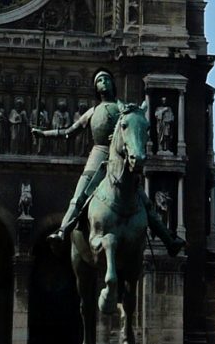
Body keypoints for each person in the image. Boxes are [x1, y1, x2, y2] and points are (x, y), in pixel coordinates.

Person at [34, 69, 183, 251]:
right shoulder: (92, 111)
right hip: (98, 156)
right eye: (99, 80)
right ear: (96, 88)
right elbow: (68, 132)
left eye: (106, 79)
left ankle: (168, 239)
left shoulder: (123, 110)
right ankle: (63, 231)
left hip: (119, 158)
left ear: (113, 84)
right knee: (79, 196)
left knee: (144, 201)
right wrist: (43, 134)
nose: (103, 82)